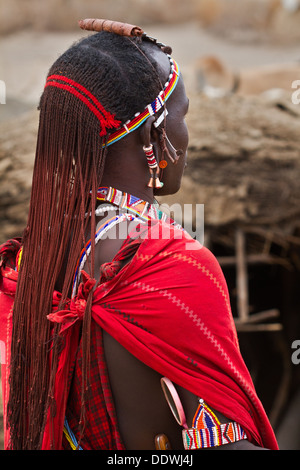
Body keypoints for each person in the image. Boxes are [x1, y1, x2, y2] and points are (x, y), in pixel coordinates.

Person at [0, 19, 278, 451]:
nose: (188, 137)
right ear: (154, 134)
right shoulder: (173, 264)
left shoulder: (29, 260)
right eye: (183, 116)